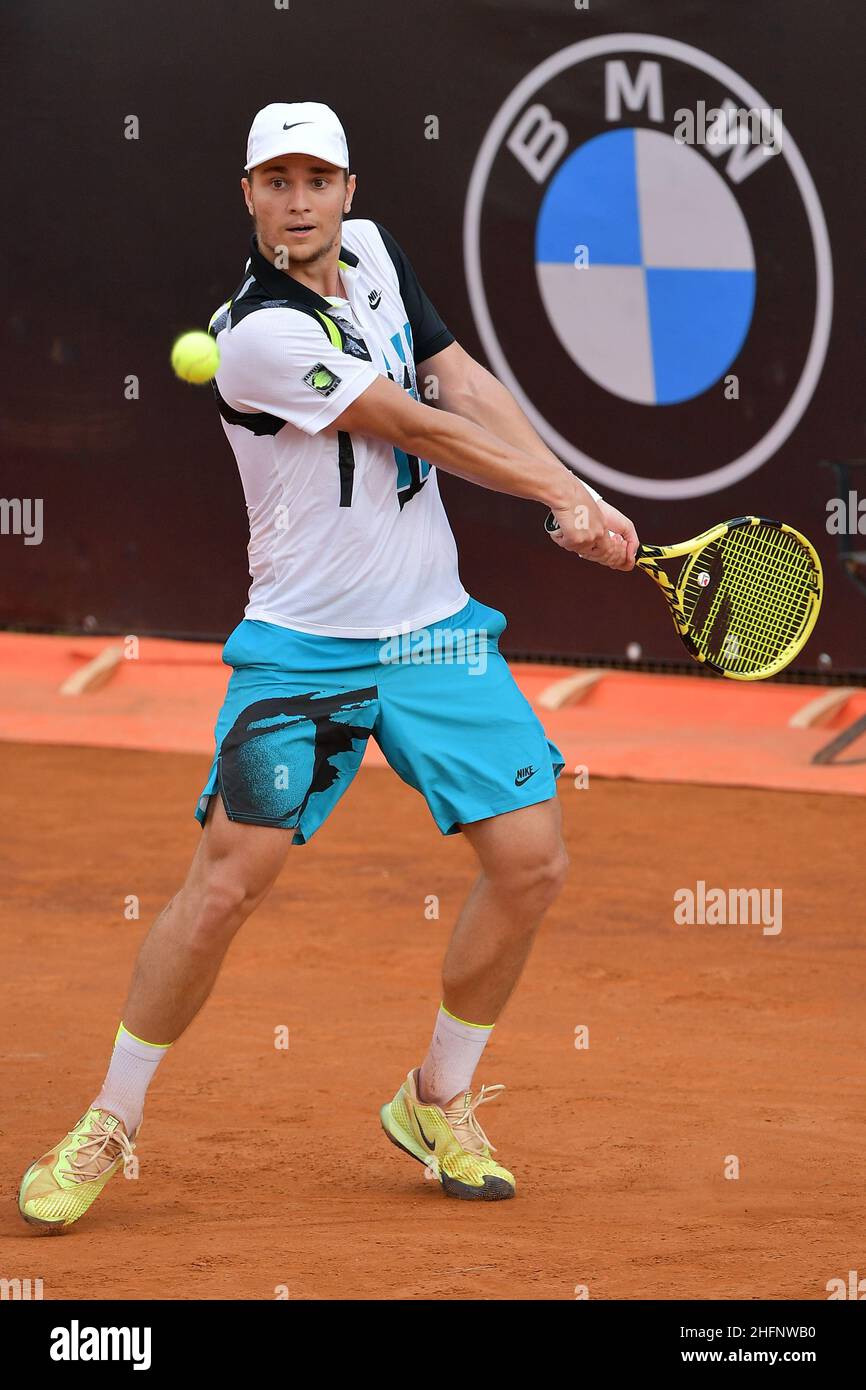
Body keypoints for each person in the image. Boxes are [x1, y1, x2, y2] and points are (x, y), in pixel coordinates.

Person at [19, 101, 638, 1226]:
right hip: (304, 651)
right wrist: (560, 499)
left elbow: (461, 382)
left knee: (532, 860)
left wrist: (578, 495)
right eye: (275, 182)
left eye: (316, 180)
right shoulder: (255, 334)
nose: (297, 202)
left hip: (437, 635)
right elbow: (417, 426)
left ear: (347, 188)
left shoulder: (378, 253)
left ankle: (435, 1098)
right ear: (246, 194)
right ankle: (111, 1117)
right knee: (225, 884)